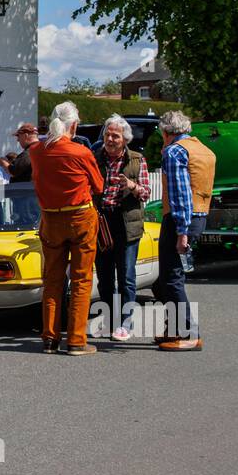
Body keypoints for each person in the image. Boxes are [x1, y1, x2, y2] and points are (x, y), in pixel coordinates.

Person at [29, 102, 103, 355]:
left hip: (51, 219)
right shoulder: (80, 152)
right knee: (82, 279)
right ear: (74, 125)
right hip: (80, 216)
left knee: (52, 280)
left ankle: (49, 338)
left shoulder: (37, 151)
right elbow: (99, 185)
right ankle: (76, 340)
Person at [155, 110, 215, 351]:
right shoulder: (203, 150)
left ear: (166, 132)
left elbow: (181, 195)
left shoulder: (174, 151)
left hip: (181, 219)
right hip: (200, 216)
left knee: (171, 278)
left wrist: (182, 232)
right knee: (171, 277)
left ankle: (189, 333)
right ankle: (175, 329)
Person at [92, 115, 150, 342]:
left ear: (125, 139)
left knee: (126, 276)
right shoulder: (95, 158)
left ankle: (127, 323)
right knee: (105, 276)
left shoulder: (137, 160)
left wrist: (132, 185)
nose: (110, 139)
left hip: (127, 223)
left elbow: (146, 193)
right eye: (107, 135)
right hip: (102, 222)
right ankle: (109, 320)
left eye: (115, 135)